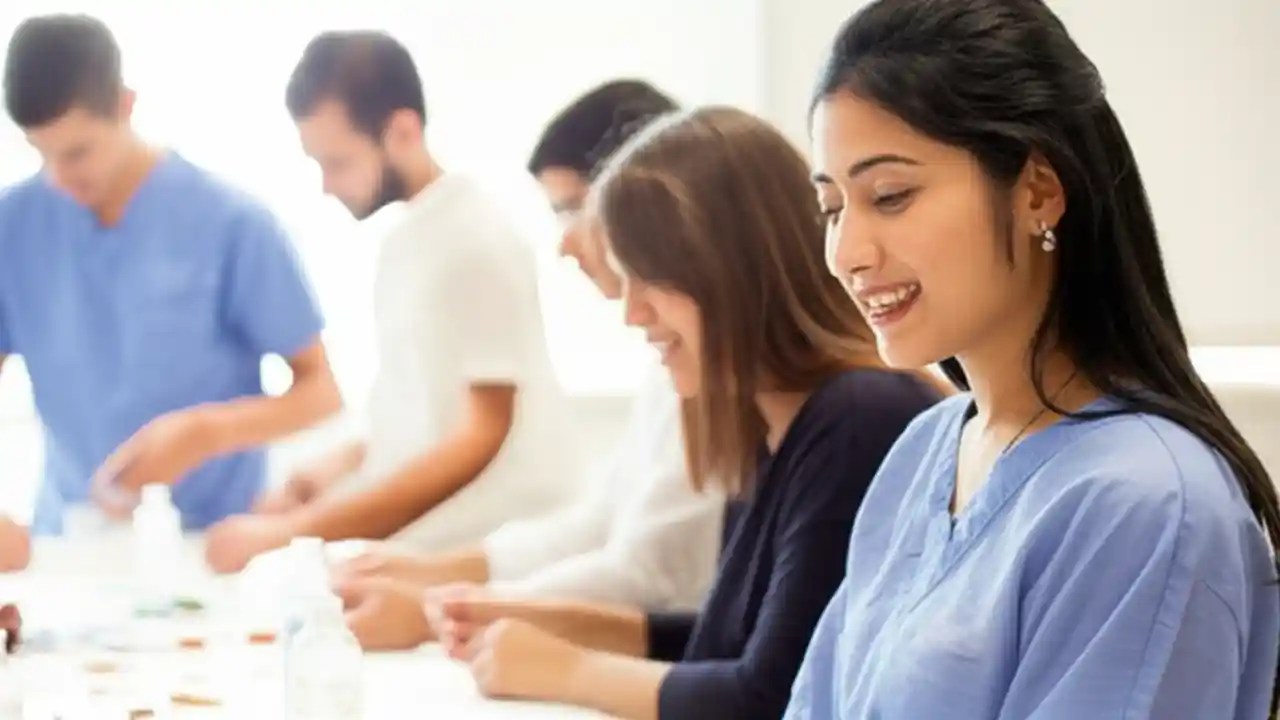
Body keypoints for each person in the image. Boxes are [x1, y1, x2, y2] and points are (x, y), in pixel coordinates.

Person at [784, 1, 1280, 718]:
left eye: (890, 196)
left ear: (1038, 191)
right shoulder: (925, 450)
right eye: (832, 208)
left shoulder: (1147, 507)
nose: (847, 254)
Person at [427, 107, 944, 720]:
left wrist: (571, 670)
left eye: (651, 281)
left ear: (730, 271)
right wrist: (535, 617)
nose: (632, 314)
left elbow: (768, 696)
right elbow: (731, 643)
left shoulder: (859, 418)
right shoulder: (774, 423)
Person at [332, 80, 728, 650]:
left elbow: (652, 575)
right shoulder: (669, 359)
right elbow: (601, 522)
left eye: (573, 209)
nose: (565, 245)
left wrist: (439, 607)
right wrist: (435, 574)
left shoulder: (710, 364)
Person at [204, 31, 578, 573]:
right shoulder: (411, 237)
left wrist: (290, 535)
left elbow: (480, 434)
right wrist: (339, 468)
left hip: (498, 558)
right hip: (439, 553)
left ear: (402, 130)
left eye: (337, 161)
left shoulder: (474, 239)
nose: (327, 186)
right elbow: (426, 411)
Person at [0, 15, 340, 546]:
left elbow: (321, 392)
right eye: (40, 153)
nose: (59, 179)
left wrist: (206, 432)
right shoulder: (14, 228)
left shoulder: (232, 224)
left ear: (125, 105)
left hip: (215, 550)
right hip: (69, 547)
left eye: (77, 152)